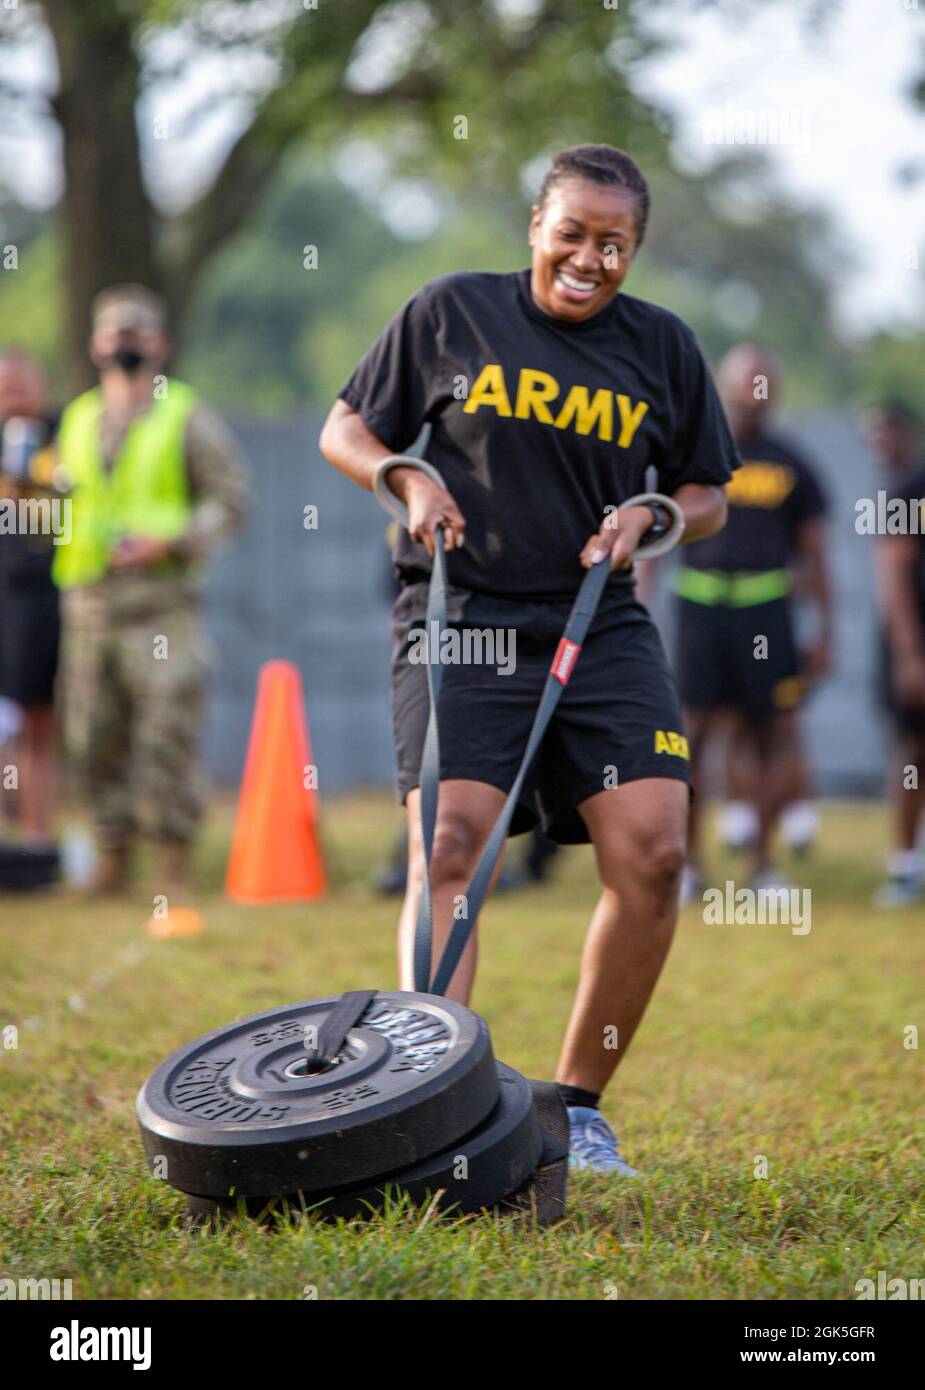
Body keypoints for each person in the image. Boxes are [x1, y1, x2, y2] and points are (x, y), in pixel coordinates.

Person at [320, 144, 737, 1175]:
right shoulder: (449, 311)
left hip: (597, 622)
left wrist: (652, 513)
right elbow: (346, 429)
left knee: (652, 852)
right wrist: (407, 479)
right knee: (454, 842)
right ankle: (431, 1113)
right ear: (534, 227)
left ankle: (575, 1112)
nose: (590, 259)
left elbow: (707, 490)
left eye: (615, 243)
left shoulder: (663, 347)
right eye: (573, 234)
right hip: (460, 612)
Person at [53, 285, 249, 898]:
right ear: (95, 344)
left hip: (160, 605)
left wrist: (172, 542)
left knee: (166, 728)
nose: (123, 346)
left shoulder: (184, 415)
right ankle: (111, 859)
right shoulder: (79, 417)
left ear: (159, 345)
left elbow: (230, 500)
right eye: (113, 335)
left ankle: (173, 863)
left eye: (136, 335)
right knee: (90, 733)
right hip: (88, 604)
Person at [673, 345, 832, 898]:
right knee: (690, 740)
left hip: (767, 612)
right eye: (746, 381)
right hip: (700, 607)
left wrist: (826, 631)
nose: (755, 391)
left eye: (764, 381)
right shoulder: (693, 457)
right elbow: (657, 536)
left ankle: (763, 869)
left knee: (770, 736)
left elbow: (816, 553)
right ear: (723, 388)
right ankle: (688, 868)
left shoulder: (791, 462)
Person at [0, 351, 61, 849]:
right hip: (4, 596)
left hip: (47, 595)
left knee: (40, 719)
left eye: (21, 386)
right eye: (5, 389)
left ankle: (38, 838)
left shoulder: (64, 437)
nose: (13, 398)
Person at [866, 402, 925, 905]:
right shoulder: (910, 490)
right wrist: (910, 656)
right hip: (916, 646)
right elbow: (894, 581)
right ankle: (905, 866)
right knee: (912, 754)